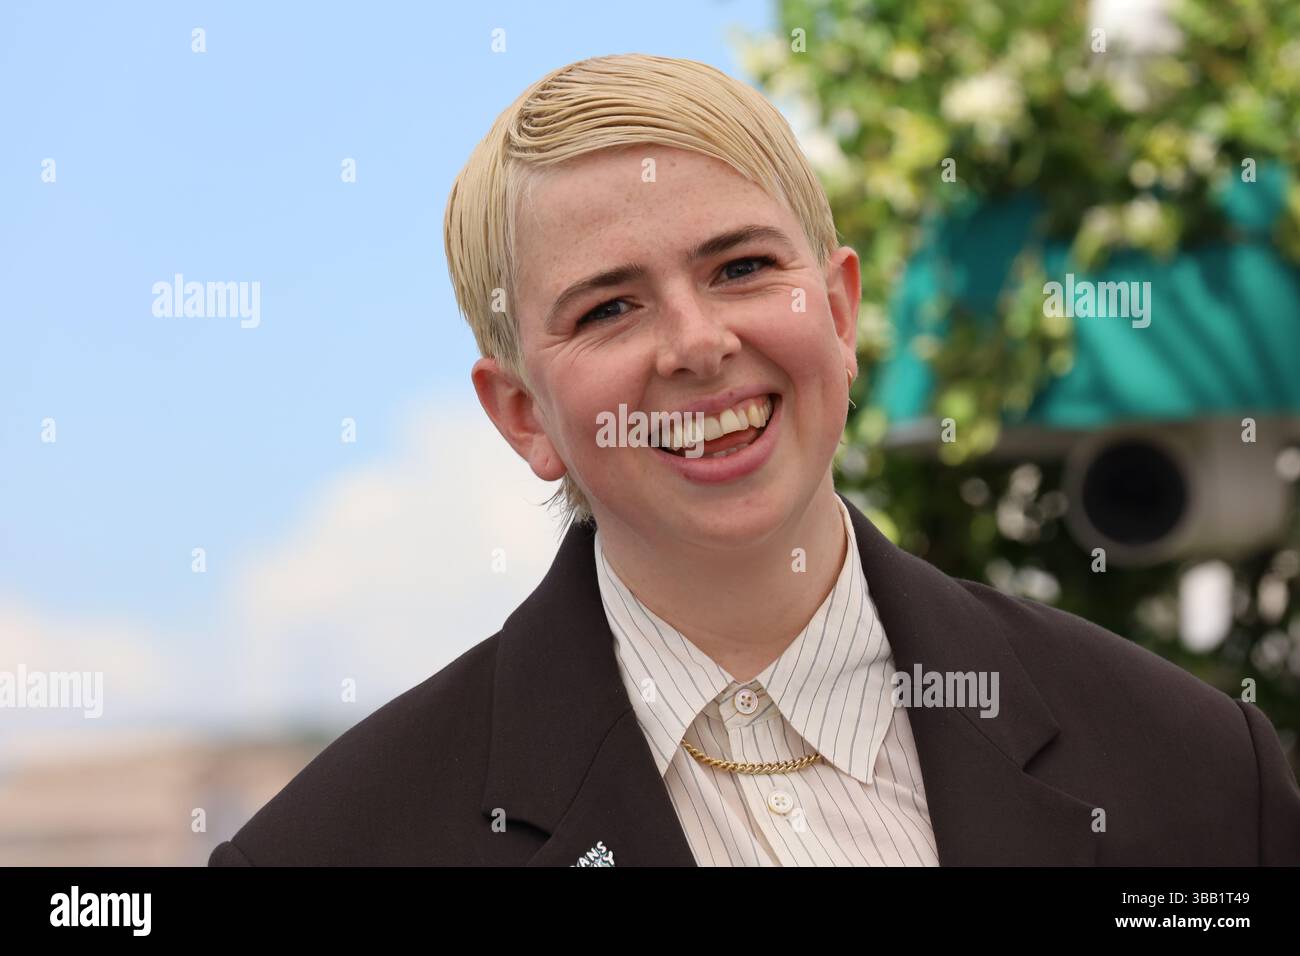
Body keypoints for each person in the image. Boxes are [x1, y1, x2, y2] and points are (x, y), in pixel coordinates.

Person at [209, 52, 1300, 866]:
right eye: (608, 307)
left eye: (737, 266)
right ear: (521, 415)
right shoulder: (330, 851)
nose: (695, 344)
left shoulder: (1197, 770)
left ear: (837, 308)